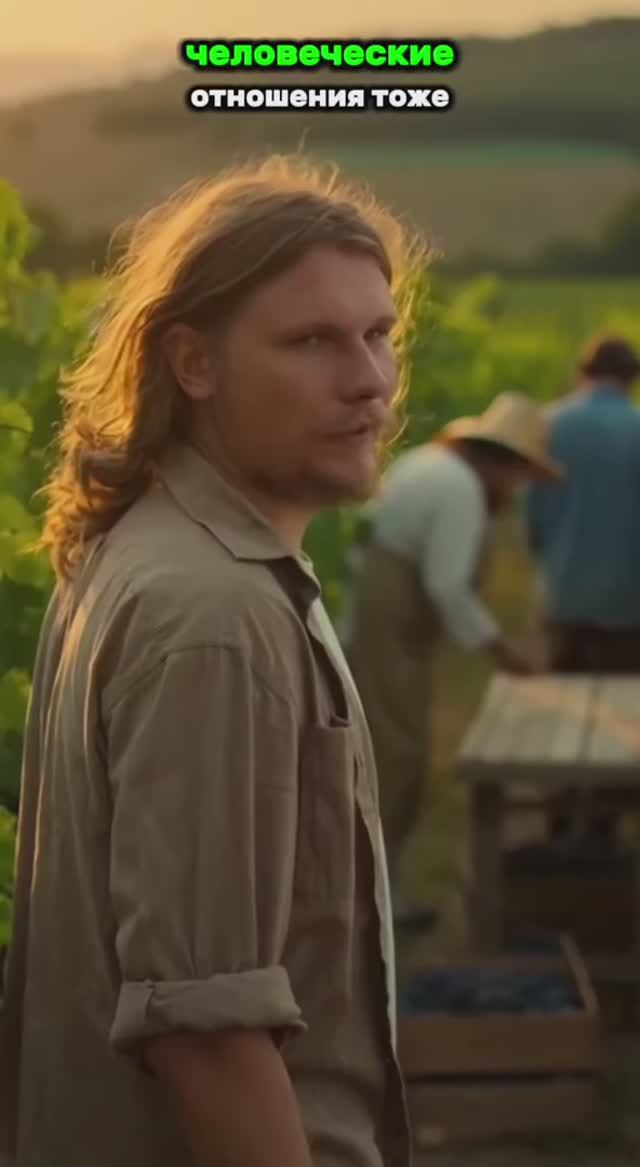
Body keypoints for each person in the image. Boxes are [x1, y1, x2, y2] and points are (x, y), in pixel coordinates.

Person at [2, 156, 424, 1167]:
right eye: (312, 341)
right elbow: (208, 1034)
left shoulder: (147, 550)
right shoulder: (215, 614)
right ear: (192, 363)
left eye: (378, 335)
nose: (369, 380)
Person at [342, 393, 565, 921]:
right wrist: (501, 650)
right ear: (501, 463)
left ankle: (373, 890)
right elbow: (448, 587)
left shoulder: (431, 466)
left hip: (379, 621)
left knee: (385, 755)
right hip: (389, 629)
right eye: (518, 476)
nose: (517, 490)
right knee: (397, 760)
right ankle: (372, 899)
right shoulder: (460, 489)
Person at [524, 334, 640, 844]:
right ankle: (600, 835)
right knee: (618, 721)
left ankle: (558, 824)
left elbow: (534, 517)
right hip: (628, 606)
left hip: (564, 597)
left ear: (583, 372)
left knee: (563, 716)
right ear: (631, 381)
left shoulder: (550, 424)